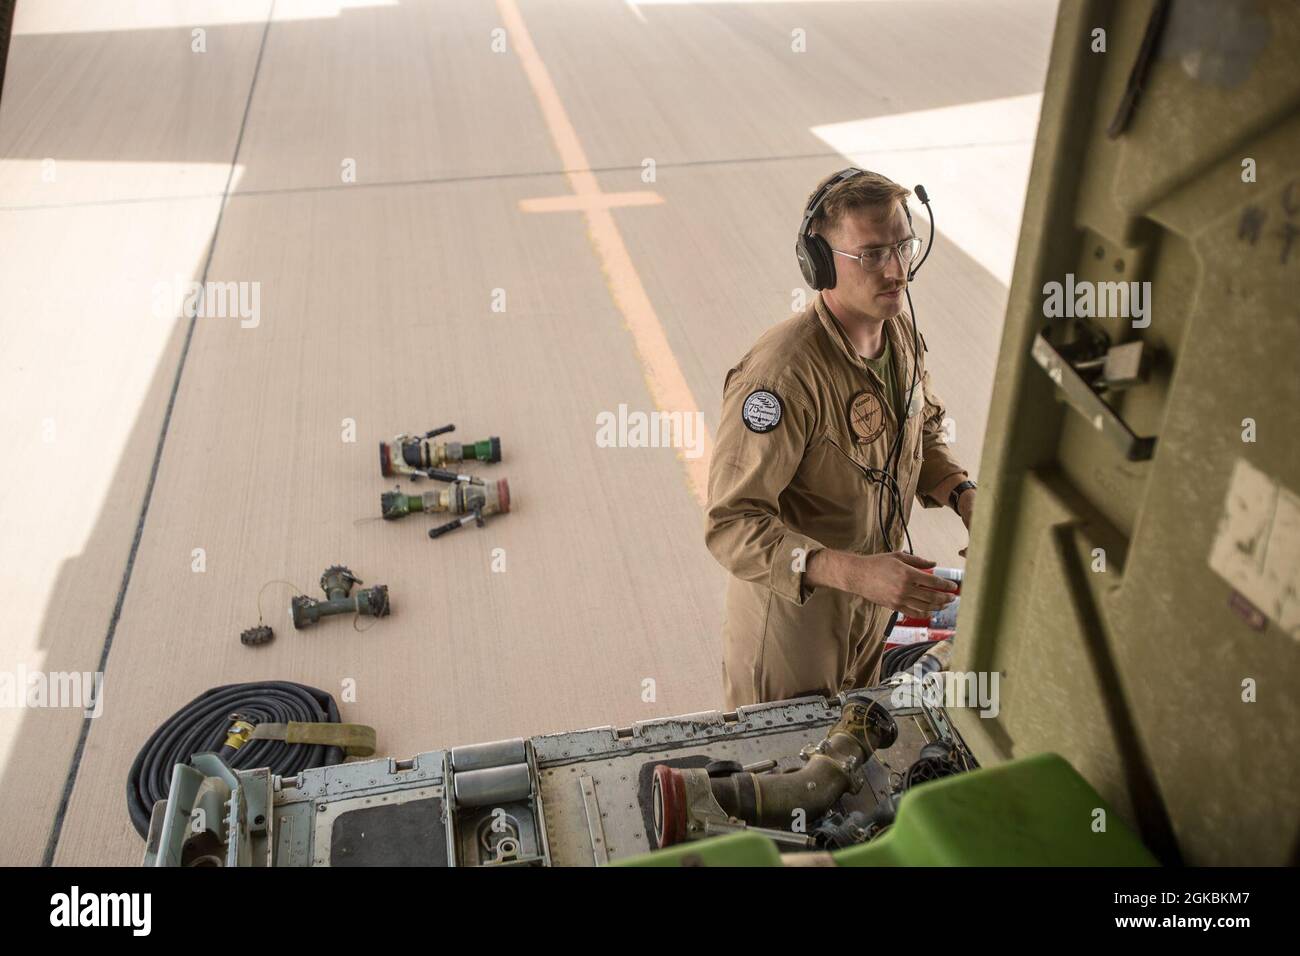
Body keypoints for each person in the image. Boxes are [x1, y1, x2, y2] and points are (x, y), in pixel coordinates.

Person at [705, 168, 977, 709]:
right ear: (820, 264)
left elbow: (918, 433)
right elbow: (730, 525)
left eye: (904, 246)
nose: (898, 270)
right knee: (784, 777)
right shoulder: (780, 377)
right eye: (872, 254)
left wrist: (964, 496)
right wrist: (855, 572)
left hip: (872, 608)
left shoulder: (897, 335)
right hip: (794, 631)